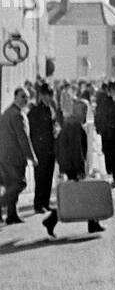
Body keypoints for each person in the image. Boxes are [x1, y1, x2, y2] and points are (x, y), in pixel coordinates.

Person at [42, 99, 104, 237]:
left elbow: (58, 146)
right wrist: (80, 169)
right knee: (83, 195)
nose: (86, 114)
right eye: (85, 111)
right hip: (74, 166)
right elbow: (76, 150)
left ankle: (92, 222)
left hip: (69, 165)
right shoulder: (75, 126)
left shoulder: (68, 123)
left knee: (77, 196)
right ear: (80, 111)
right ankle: (54, 220)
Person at [0, 86, 37, 225]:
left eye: (27, 97)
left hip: (5, 156)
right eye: (22, 96)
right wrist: (32, 156)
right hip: (14, 157)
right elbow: (23, 138)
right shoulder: (17, 115)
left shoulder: (8, 112)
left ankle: (12, 214)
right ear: (15, 97)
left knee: (10, 184)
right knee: (19, 183)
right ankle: (3, 206)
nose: (25, 100)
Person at [28, 84, 59, 213]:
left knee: (48, 176)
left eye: (50, 95)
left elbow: (52, 125)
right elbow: (31, 131)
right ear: (41, 95)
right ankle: (38, 204)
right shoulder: (35, 110)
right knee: (40, 177)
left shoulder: (49, 109)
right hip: (40, 149)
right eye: (46, 95)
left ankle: (45, 203)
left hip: (50, 147)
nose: (49, 98)